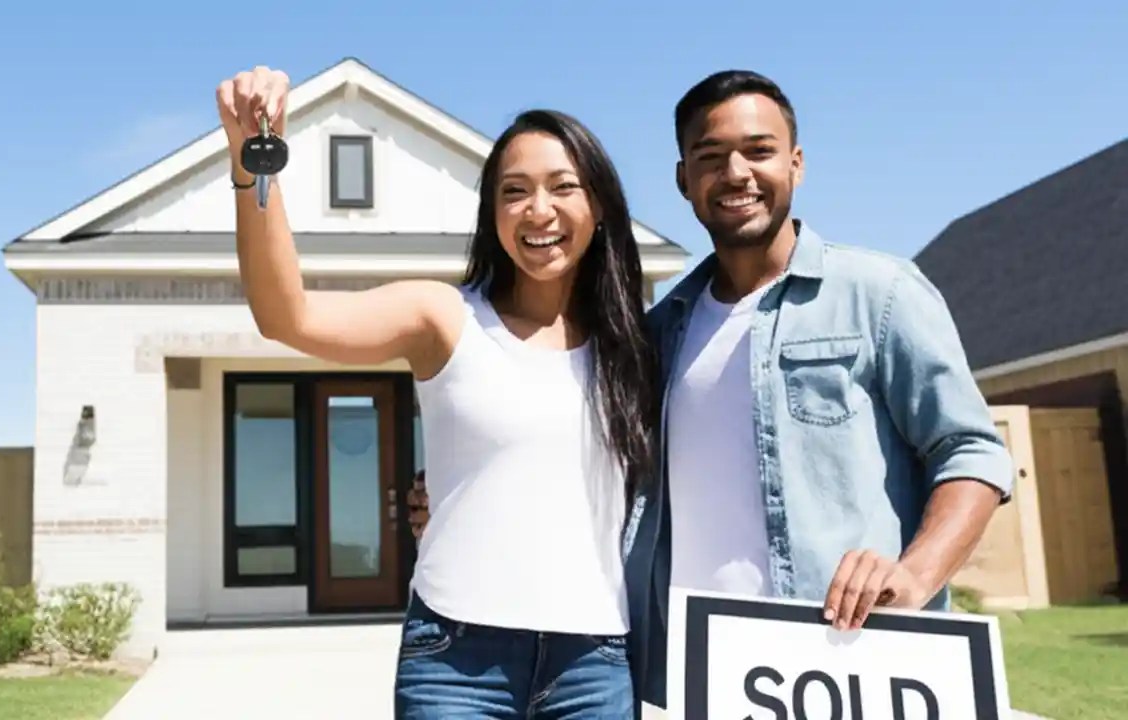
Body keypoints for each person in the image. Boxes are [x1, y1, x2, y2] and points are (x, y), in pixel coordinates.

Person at [410, 68, 1015, 714]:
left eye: (759, 151)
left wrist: (915, 573)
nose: (736, 173)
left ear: (796, 163)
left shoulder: (879, 295)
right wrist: (455, 488)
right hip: (703, 675)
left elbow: (971, 452)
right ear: (683, 180)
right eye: (711, 156)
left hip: (847, 663)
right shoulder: (656, 334)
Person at [216, 66, 657, 718]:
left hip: (593, 665)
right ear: (492, 214)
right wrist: (253, 165)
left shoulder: (636, 345)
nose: (539, 210)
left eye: (563, 186)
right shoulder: (444, 318)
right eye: (514, 191)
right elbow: (288, 317)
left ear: (599, 208)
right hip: (456, 662)